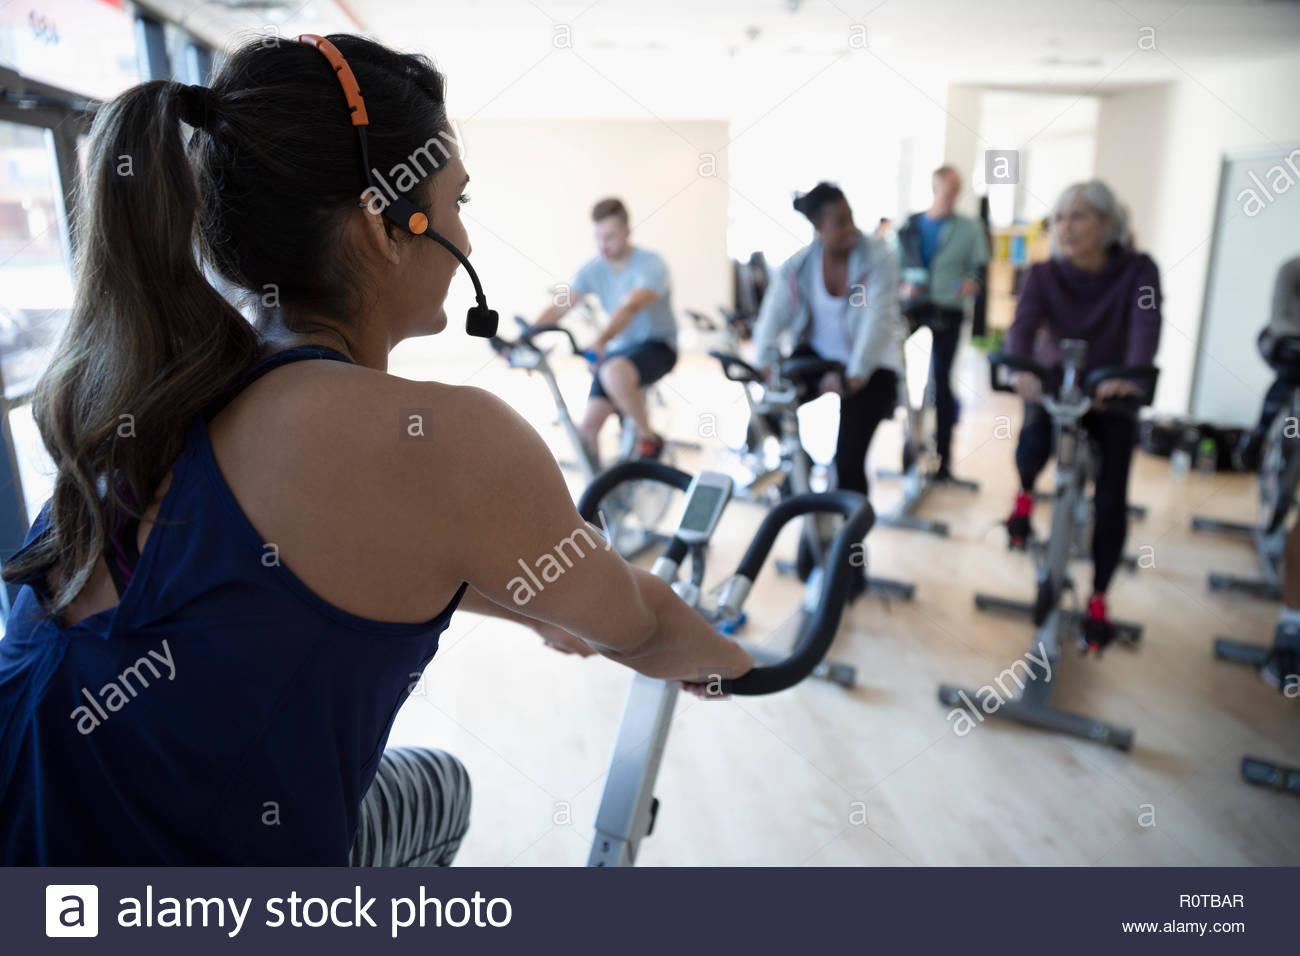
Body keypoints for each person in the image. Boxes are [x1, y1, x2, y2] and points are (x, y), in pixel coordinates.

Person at [0, 34, 751, 865]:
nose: (465, 232)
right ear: (384, 226)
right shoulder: (449, 443)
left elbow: (272, 580)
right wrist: (731, 657)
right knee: (441, 789)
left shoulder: (156, 390)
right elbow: (641, 625)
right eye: (457, 202)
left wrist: (530, 602)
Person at [1002, 180, 1163, 651]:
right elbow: (1022, 327)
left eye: (1079, 217)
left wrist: (1131, 377)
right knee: (1033, 443)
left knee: (1111, 497)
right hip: (1058, 384)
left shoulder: (1138, 270)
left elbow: (1145, 325)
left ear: (1107, 223)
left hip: (1112, 389)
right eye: (1060, 218)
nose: (1066, 228)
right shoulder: (1044, 274)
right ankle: (1025, 501)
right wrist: (1018, 371)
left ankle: (1097, 601)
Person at [752, 182, 905, 499]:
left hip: (872, 366)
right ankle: (800, 477)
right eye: (839, 223)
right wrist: (764, 360)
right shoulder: (800, 265)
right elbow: (773, 312)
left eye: (850, 218)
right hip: (821, 358)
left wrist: (856, 374)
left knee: (848, 461)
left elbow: (877, 320)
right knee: (767, 413)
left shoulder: (879, 256)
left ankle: (849, 543)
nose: (850, 229)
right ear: (818, 228)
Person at [532, 198, 678, 460]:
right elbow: (562, 305)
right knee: (586, 430)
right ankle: (603, 495)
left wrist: (600, 341)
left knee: (612, 371)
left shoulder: (651, 265)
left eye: (610, 237)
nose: (603, 245)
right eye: (598, 237)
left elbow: (630, 307)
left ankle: (649, 439)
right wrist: (527, 336)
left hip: (657, 346)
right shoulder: (594, 267)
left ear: (627, 232)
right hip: (620, 350)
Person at [896, 165, 990, 480]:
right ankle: (909, 450)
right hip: (912, 308)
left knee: (941, 382)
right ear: (935, 188)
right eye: (948, 190)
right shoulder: (910, 226)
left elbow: (980, 271)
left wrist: (971, 284)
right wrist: (902, 287)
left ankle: (944, 460)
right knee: (901, 379)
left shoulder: (969, 228)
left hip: (947, 310)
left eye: (956, 191)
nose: (951, 197)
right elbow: (894, 267)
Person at [1234, 254, 1300, 471]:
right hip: (1285, 339)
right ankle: (1259, 436)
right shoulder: (1290, 269)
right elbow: (1279, 318)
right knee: (1290, 372)